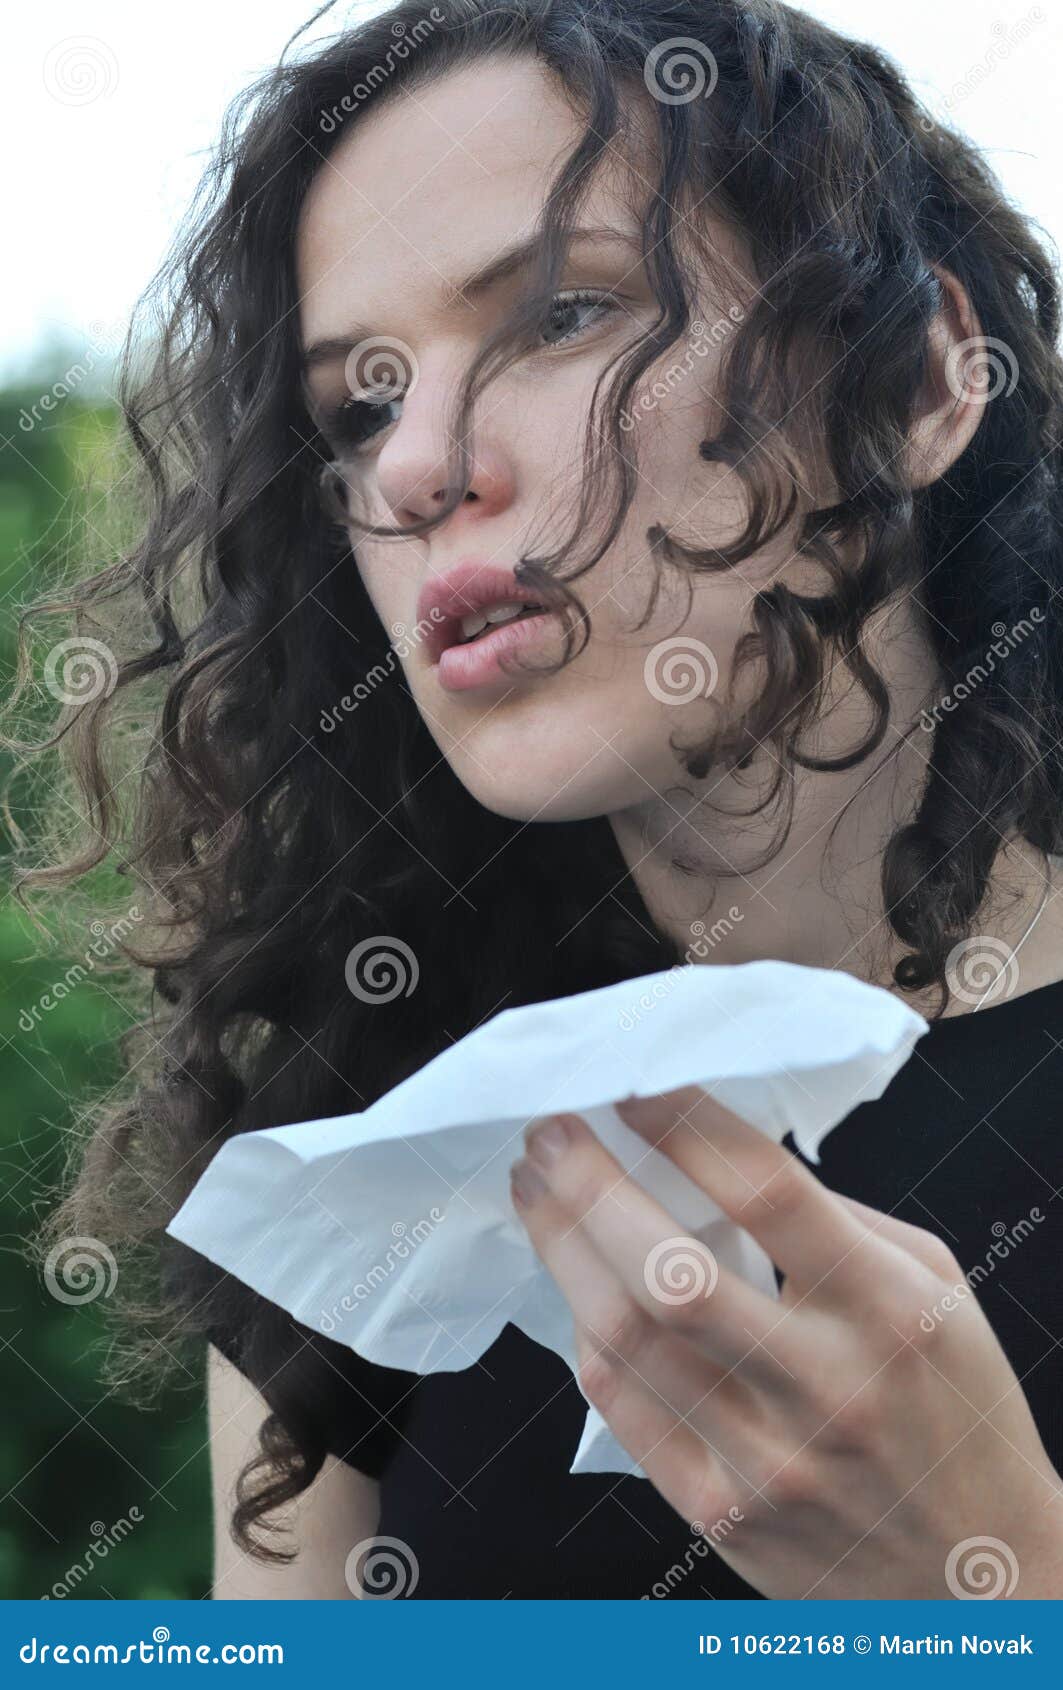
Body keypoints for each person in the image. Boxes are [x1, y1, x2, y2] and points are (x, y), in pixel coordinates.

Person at [11, 0, 1063, 1599]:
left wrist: (992, 1582)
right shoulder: (374, 1127)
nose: (419, 466)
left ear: (922, 377)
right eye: (357, 407)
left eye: (564, 313)